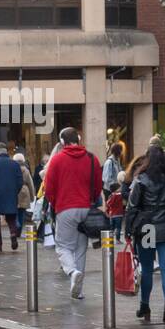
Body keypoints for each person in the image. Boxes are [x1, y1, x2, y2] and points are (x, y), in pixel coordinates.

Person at [40, 126, 103, 299]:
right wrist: (90, 200)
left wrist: (55, 204)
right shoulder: (91, 158)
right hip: (86, 208)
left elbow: (49, 188)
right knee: (81, 248)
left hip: (65, 208)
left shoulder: (57, 160)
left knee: (63, 246)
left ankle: (72, 272)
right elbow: (98, 186)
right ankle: (78, 290)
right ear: (79, 139)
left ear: (62, 142)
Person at [125, 146, 165, 323]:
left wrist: (128, 229)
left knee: (147, 269)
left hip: (148, 227)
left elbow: (132, 207)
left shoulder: (141, 179)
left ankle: (145, 305)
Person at [13, 152, 37, 235]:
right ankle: (19, 231)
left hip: (14, 191)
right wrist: (32, 196)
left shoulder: (11, 169)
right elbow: (30, 183)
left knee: (14, 211)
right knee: (22, 212)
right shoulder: (26, 170)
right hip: (24, 191)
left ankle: (16, 225)